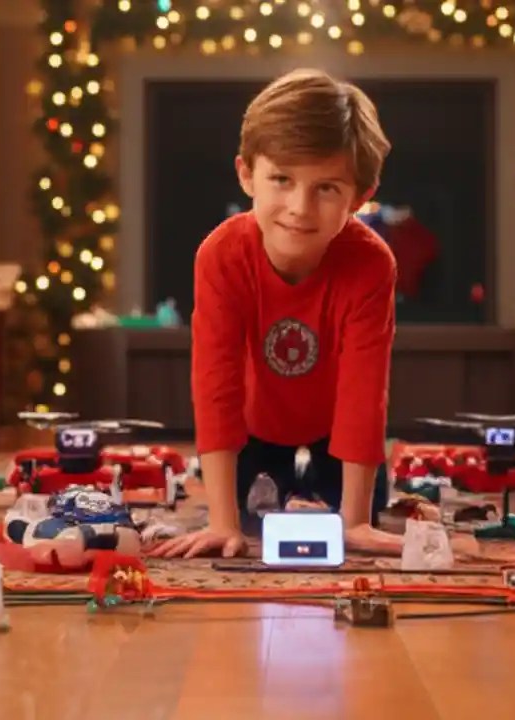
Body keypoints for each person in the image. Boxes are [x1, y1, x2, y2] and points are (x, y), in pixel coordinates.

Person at [151, 68, 402, 559]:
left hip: (334, 431)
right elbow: (215, 384)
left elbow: (364, 390)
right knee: (243, 522)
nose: (299, 208)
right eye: (281, 180)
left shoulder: (371, 263)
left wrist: (355, 522)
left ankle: (326, 494)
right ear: (247, 174)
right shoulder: (221, 255)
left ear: (361, 198)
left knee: (365, 511)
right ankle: (271, 494)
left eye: (326, 188)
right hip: (253, 428)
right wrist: (221, 522)